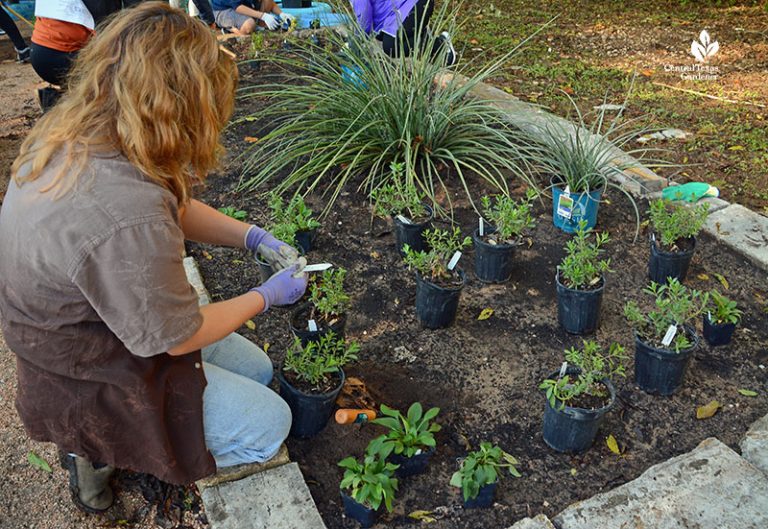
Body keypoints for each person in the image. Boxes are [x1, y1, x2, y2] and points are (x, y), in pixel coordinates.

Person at [0, 1, 306, 514]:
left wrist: (252, 236)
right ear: (179, 99)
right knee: (269, 426)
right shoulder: (124, 214)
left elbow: (172, 203)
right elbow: (176, 333)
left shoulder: (83, 133)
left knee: (256, 370)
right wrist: (264, 296)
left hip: (87, 324)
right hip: (90, 367)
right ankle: (109, 450)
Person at [351, 0, 456, 65]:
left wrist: (355, 43)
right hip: (396, 10)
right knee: (379, 34)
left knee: (391, 47)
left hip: (415, 4)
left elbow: (364, 15)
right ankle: (422, 35)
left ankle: (440, 45)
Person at [211, 0, 295, 35]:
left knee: (267, 1)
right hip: (224, 10)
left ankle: (261, 28)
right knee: (249, 24)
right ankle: (230, 31)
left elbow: (270, 3)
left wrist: (281, 14)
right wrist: (263, 16)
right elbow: (238, 7)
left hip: (244, 6)